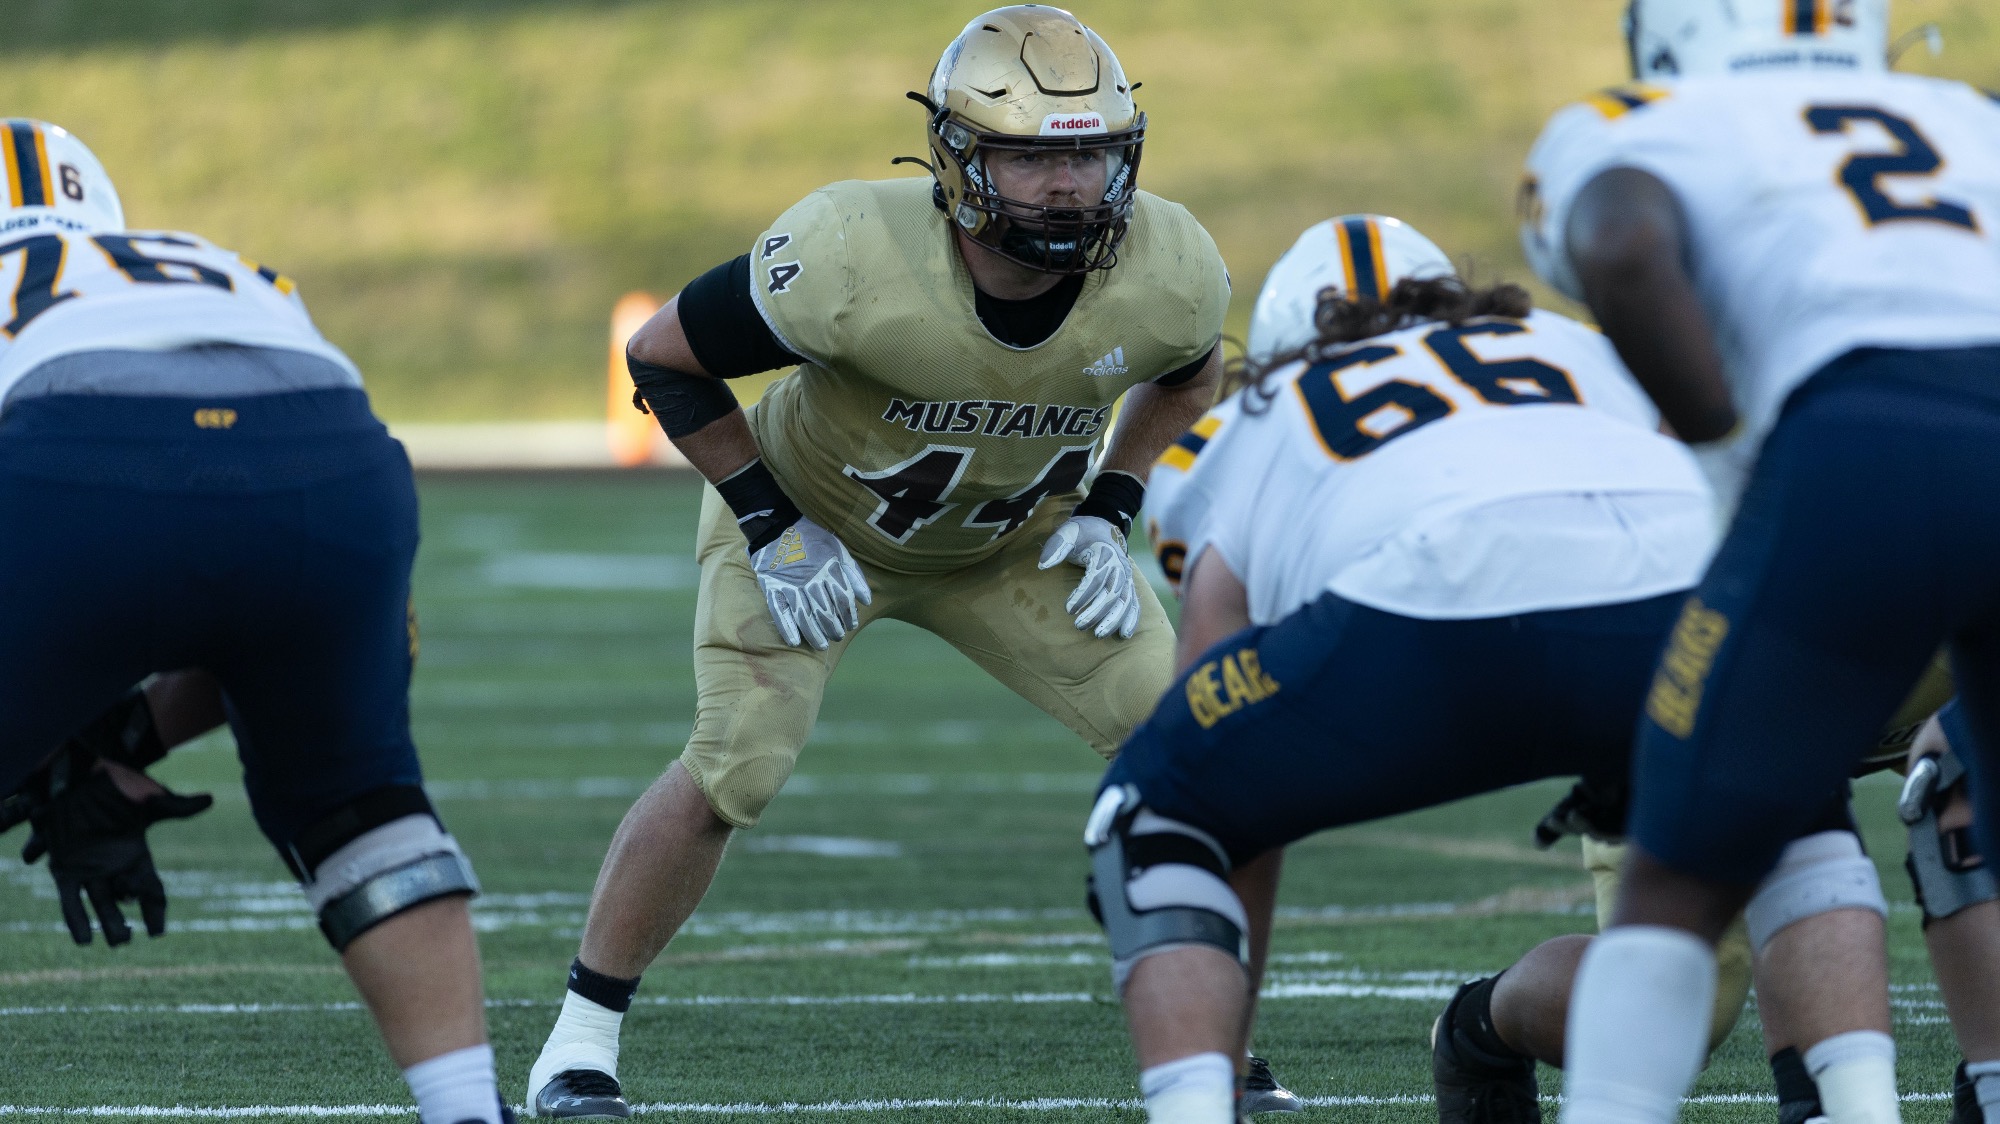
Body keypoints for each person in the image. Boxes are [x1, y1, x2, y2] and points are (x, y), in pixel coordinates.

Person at [524, 7, 1235, 1116]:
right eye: (1033, 154)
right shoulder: (854, 250)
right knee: (735, 763)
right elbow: (661, 357)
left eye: (1088, 152)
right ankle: (576, 1045)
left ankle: (1216, 1050)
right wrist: (769, 520)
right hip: (817, 528)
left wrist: (1112, 501)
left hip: (1014, 541)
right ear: (958, 155)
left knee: (1192, 745)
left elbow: (1190, 373)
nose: (1068, 184)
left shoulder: (1168, 263)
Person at [1091, 212, 1721, 1124]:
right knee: (1789, 836)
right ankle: (1850, 1098)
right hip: (1686, 616)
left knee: (1162, 804)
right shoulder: (1571, 346)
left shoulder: (1256, 415)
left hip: (1429, 623)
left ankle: (1203, 1103)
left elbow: (1217, 732)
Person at [1513, 0, 2000, 1121]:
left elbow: (1621, 244)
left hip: (1859, 448)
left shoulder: (1633, 118)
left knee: (1676, 875)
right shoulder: (1962, 109)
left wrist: (1730, 450)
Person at [0, 119, 507, 1124]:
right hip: (335, 464)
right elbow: (247, 591)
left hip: (76, 452)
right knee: (357, 803)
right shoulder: (212, 266)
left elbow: (104, 545)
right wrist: (116, 740)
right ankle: (467, 1109)